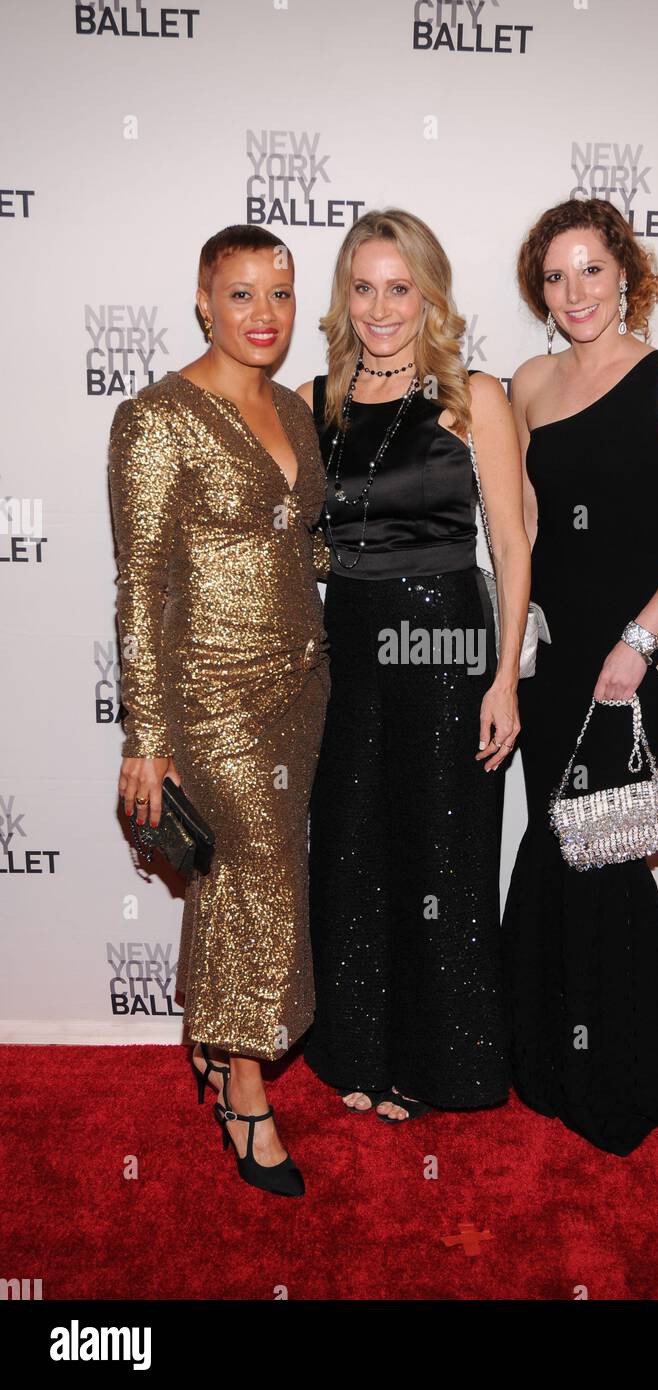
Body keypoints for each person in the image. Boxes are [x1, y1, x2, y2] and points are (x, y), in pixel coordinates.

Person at [500, 197, 658, 1155]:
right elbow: (517, 529)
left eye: (589, 269)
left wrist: (638, 639)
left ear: (624, 273)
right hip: (555, 653)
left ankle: (622, 1072)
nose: (573, 291)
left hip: (642, 645)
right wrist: (516, 638)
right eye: (554, 277)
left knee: (598, 845)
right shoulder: (525, 385)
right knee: (565, 848)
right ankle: (553, 1056)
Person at [108, 224, 331, 1195]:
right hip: (210, 690)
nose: (263, 314)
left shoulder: (293, 406)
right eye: (240, 295)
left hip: (300, 683)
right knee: (261, 871)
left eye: (279, 294)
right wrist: (146, 736)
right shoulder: (156, 418)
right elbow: (139, 582)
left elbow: (306, 547)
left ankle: (209, 1039)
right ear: (203, 300)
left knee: (240, 878)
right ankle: (246, 1090)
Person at [296, 208, 530, 1122]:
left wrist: (504, 677)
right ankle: (360, 1047)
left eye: (400, 287)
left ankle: (444, 1065)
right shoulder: (318, 402)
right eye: (364, 287)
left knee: (442, 854)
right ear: (343, 295)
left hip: (446, 640)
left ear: (429, 294)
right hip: (350, 643)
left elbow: (511, 546)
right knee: (353, 846)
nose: (381, 307)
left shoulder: (472, 395)